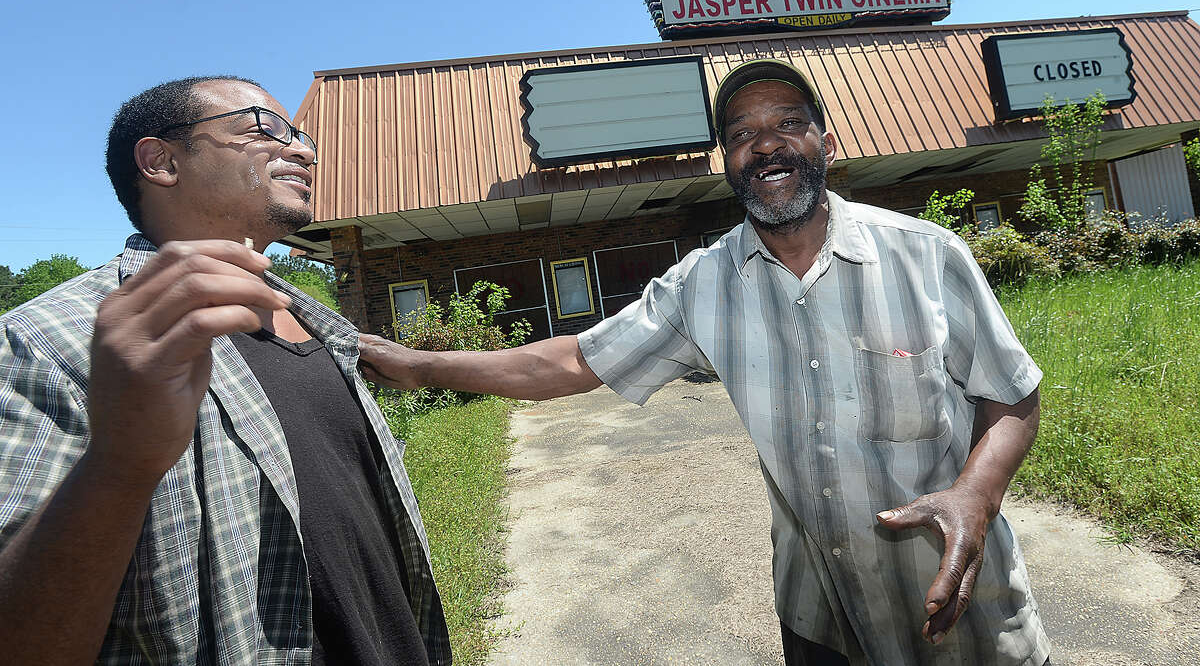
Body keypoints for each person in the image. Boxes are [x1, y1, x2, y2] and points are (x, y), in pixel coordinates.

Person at [359, 59, 1051, 665]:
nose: (765, 144)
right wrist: (421, 367)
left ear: (826, 144)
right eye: (742, 135)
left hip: (963, 617)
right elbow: (572, 360)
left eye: (787, 123)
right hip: (823, 622)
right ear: (728, 164)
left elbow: (1013, 395)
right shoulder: (703, 285)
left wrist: (976, 494)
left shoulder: (928, 255)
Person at [0, 76, 450, 665]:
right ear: (161, 162)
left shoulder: (313, 320)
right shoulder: (47, 341)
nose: (305, 151)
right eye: (264, 129)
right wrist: (122, 462)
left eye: (303, 136)